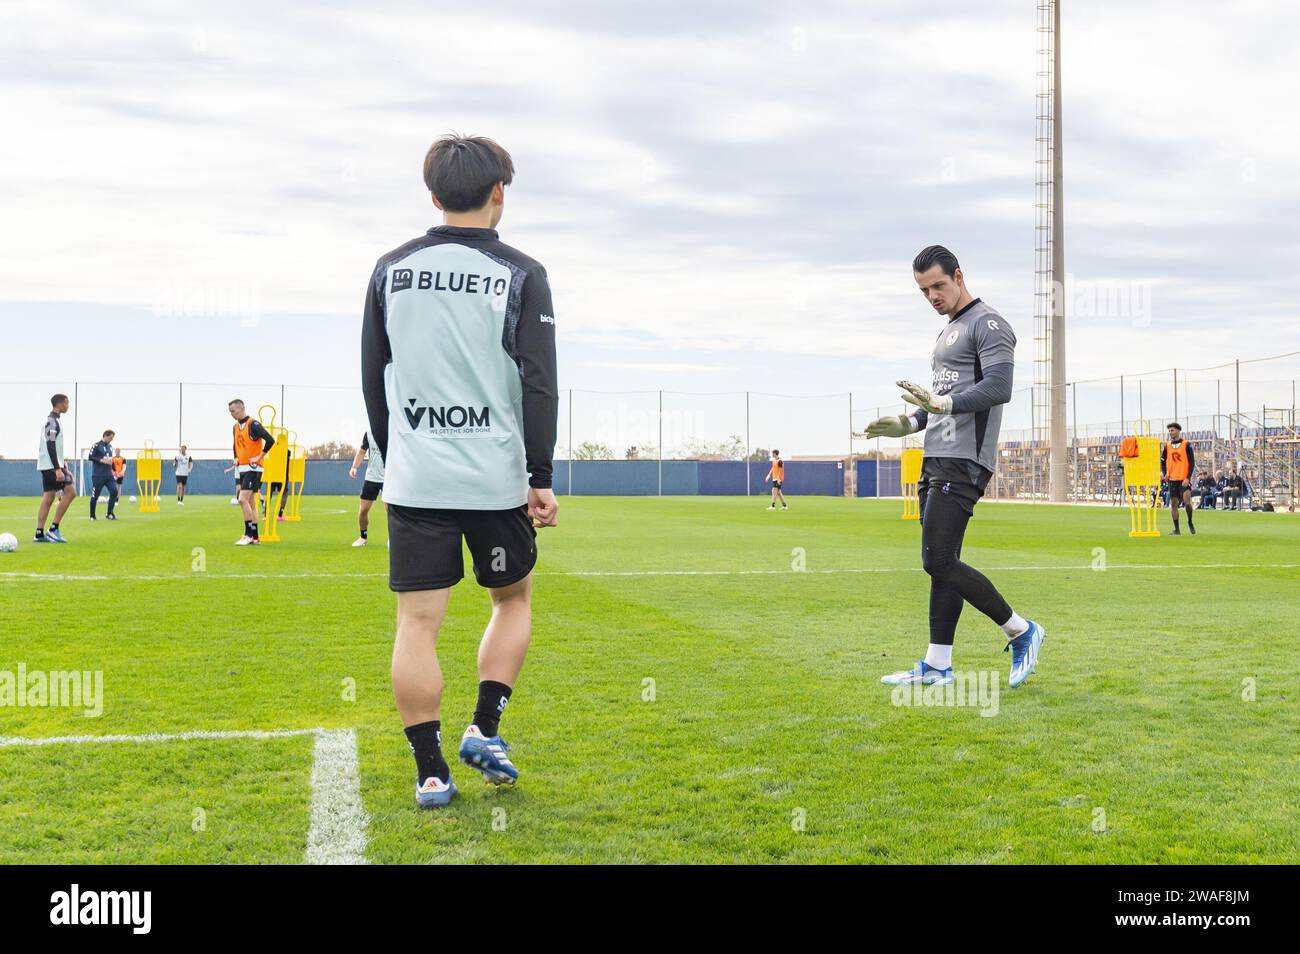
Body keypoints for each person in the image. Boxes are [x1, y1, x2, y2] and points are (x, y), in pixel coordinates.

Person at [362, 134, 559, 808]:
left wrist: (397, 458)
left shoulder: (390, 269)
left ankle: (431, 773)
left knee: (416, 623)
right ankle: (485, 726)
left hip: (416, 476)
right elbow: (539, 382)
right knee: (513, 598)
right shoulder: (522, 272)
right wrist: (541, 474)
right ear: (499, 191)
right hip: (494, 475)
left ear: (434, 193)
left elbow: (372, 376)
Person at [865, 245, 1044, 689]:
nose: (932, 296)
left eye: (938, 286)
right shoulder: (949, 332)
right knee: (943, 564)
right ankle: (938, 664)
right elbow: (940, 404)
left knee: (939, 559)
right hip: (936, 454)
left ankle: (1021, 631)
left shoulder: (989, 324)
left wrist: (942, 402)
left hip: (965, 458)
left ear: (959, 276)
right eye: (924, 290)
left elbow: (998, 388)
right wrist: (907, 423)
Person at [227, 399, 276, 545]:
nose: (231, 414)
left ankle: (248, 535)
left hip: (253, 468)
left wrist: (260, 456)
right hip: (242, 467)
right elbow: (235, 446)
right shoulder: (235, 427)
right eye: (229, 411)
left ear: (241, 409)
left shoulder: (253, 424)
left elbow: (270, 440)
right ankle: (255, 537)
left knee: (242, 499)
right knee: (250, 502)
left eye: (233, 411)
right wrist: (236, 458)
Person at [35, 393, 78, 543]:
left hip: (48, 465)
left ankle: (39, 533)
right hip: (51, 466)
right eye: (67, 403)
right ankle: (54, 529)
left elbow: (54, 446)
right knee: (71, 492)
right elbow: (50, 444)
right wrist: (58, 468)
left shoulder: (53, 421)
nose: (68, 406)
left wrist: (62, 464)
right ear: (59, 404)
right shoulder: (52, 421)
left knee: (48, 496)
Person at [349, 431, 385, 547]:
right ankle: (363, 537)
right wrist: (354, 467)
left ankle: (393, 540)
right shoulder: (369, 433)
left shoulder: (393, 429)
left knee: (391, 511)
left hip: (389, 477)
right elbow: (361, 451)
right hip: (371, 477)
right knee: (363, 510)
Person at [1160, 422, 1196, 535]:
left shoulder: (1186, 444)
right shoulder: (1167, 446)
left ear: (1178, 431)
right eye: (1169, 431)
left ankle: (1190, 521)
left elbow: (1192, 462)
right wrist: (1165, 473)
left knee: (1187, 502)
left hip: (1183, 479)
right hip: (1172, 479)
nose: (1171, 432)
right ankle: (1177, 529)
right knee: (1174, 504)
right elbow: (1162, 461)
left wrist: (1188, 478)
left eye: (1173, 430)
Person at [88, 429, 120, 521]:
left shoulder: (110, 446)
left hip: (109, 475)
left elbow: (110, 460)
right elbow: (90, 457)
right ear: (105, 435)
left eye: (112, 438)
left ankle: (109, 513)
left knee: (114, 491)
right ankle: (92, 515)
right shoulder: (96, 445)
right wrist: (101, 460)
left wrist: (114, 470)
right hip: (98, 475)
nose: (111, 440)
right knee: (95, 495)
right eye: (110, 437)